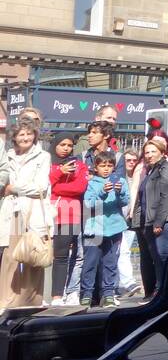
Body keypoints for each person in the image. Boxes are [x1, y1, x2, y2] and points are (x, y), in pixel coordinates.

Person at [0, 121, 53, 308]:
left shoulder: (43, 156)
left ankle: (32, 301)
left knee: (33, 257)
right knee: (10, 258)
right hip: (12, 212)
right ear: (14, 137)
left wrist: (13, 188)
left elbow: (40, 187)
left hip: (33, 211)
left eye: (29, 134)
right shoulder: (8, 156)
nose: (25, 138)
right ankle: (7, 301)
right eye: (21, 134)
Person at [128, 136, 168, 298]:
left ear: (162, 152)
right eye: (146, 152)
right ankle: (160, 291)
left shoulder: (167, 168)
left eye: (153, 151)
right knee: (156, 258)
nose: (149, 155)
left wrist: (159, 222)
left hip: (164, 220)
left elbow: (166, 196)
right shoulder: (151, 170)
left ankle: (166, 291)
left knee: (163, 256)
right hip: (149, 221)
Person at [81, 151, 129, 307]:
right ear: (96, 167)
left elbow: (125, 201)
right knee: (90, 263)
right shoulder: (91, 183)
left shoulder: (120, 181)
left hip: (114, 228)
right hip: (94, 229)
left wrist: (120, 192)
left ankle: (108, 293)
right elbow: (88, 205)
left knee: (110, 262)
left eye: (109, 165)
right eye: (102, 166)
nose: (106, 169)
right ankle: (87, 294)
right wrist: (102, 193)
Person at [48, 132, 88, 304]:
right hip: (46, 215)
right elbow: (42, 183)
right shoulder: (46, 163)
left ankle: (57, 296)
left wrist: (55, 188)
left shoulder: (79, 165)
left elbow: (79, 188)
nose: (66, 148)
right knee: (39, 254)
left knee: (61, 256)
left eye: (69, 145)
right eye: (62, 144)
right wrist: (59, 173)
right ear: (55, 144)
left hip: (69, 215)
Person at [116, 150, 144, 299]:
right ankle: (128, 283)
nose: (132, 163)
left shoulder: (139, 175)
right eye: (128, 160)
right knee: (123, 251)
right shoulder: (120, 177)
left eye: (134, 160)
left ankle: (123, 284)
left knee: (123, 251)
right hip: (119, 219)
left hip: (132, 220)